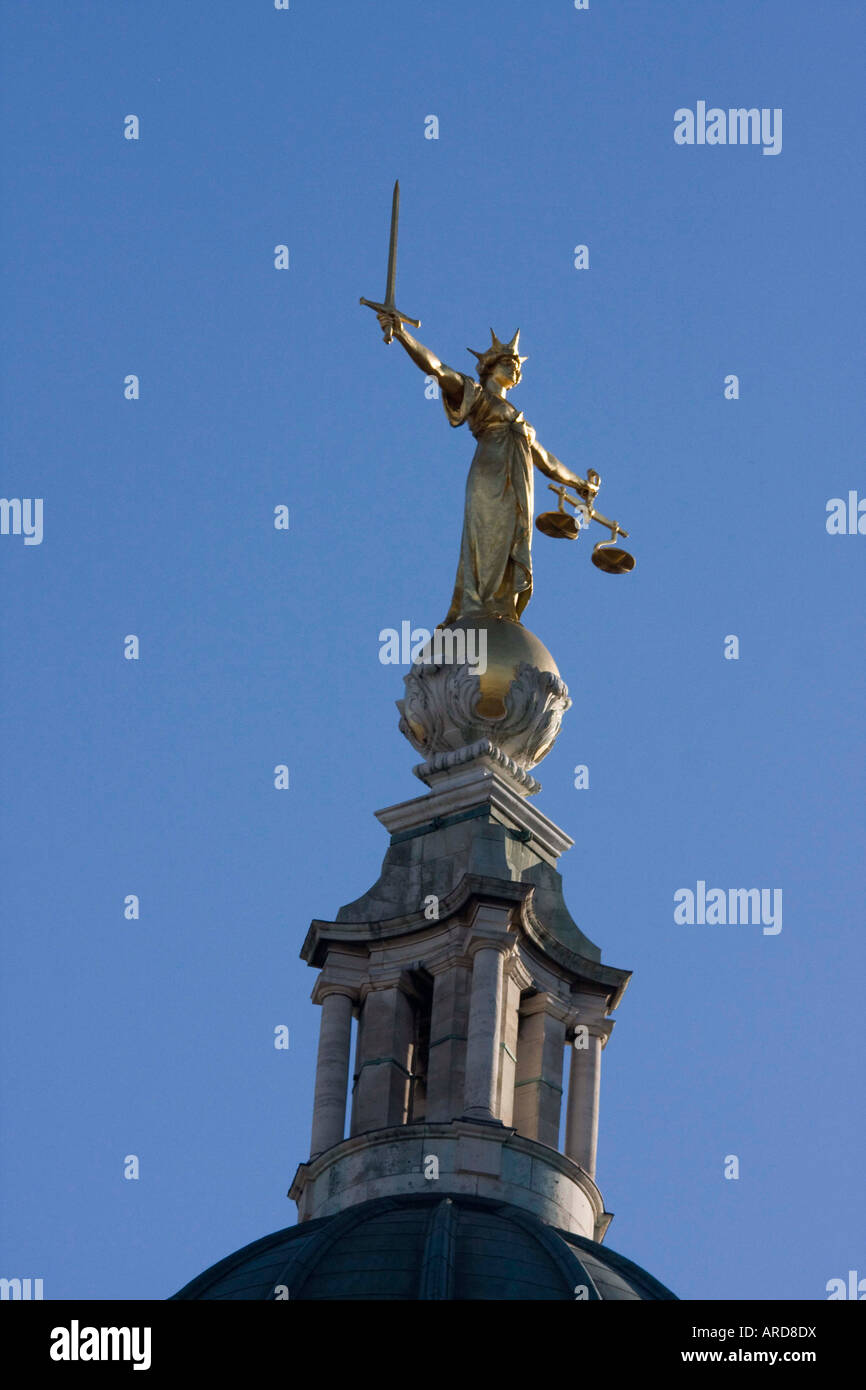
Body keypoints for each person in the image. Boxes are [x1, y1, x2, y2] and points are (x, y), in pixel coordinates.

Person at [376, 313, 582, 624]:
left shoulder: (521, 420)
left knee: (516, 537)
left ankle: (502, 605)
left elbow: (548, 461)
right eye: (507, 362)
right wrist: (403, 335)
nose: (515, 368)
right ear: (489, 367)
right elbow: (437, 369)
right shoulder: (478, 395)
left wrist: (580, 484)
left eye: (518, 365)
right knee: (488, 536)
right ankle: (478, 606)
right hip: (490, 474)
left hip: (520, 484)